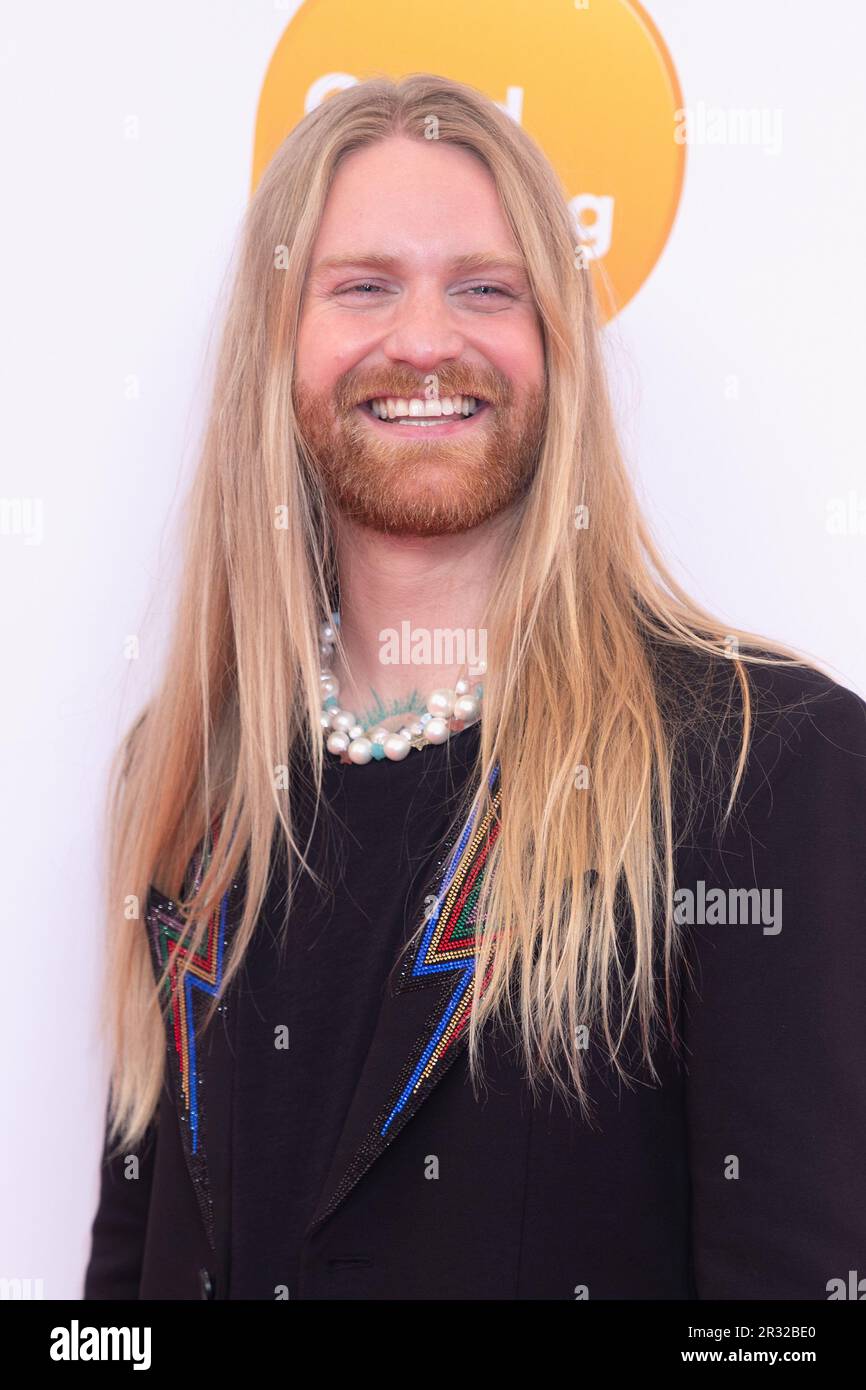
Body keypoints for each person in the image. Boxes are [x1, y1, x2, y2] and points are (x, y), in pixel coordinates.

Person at [83, 74, 866, 1301]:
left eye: (486, 287)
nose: (425, 338)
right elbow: (126, 1282)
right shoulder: (187, 773)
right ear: (275, 348)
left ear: (555, 342)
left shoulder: (766, 759)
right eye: (362, 285)